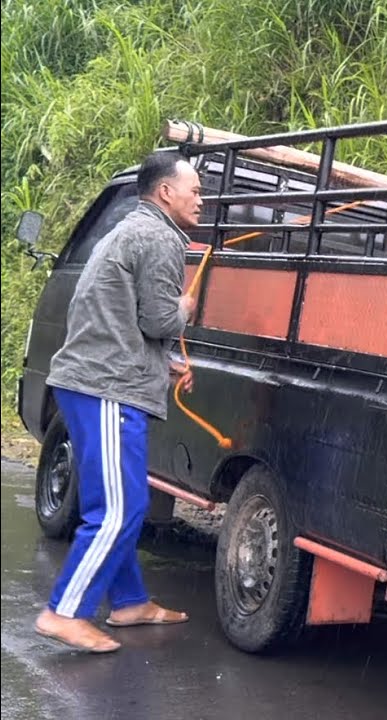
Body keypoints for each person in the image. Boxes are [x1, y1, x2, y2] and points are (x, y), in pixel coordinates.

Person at [35, 150, 202, 653]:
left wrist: (163, 363)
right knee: (119, 508)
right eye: (195, 190)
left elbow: (114, 316)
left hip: (96, 380)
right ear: (166, 192)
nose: (201, 200)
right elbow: (158, 319)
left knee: (119, 502)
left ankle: (129, 601)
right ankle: (65, 612)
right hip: (105, 388)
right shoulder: (159, 238)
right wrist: (184, 308)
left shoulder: (129, 229)